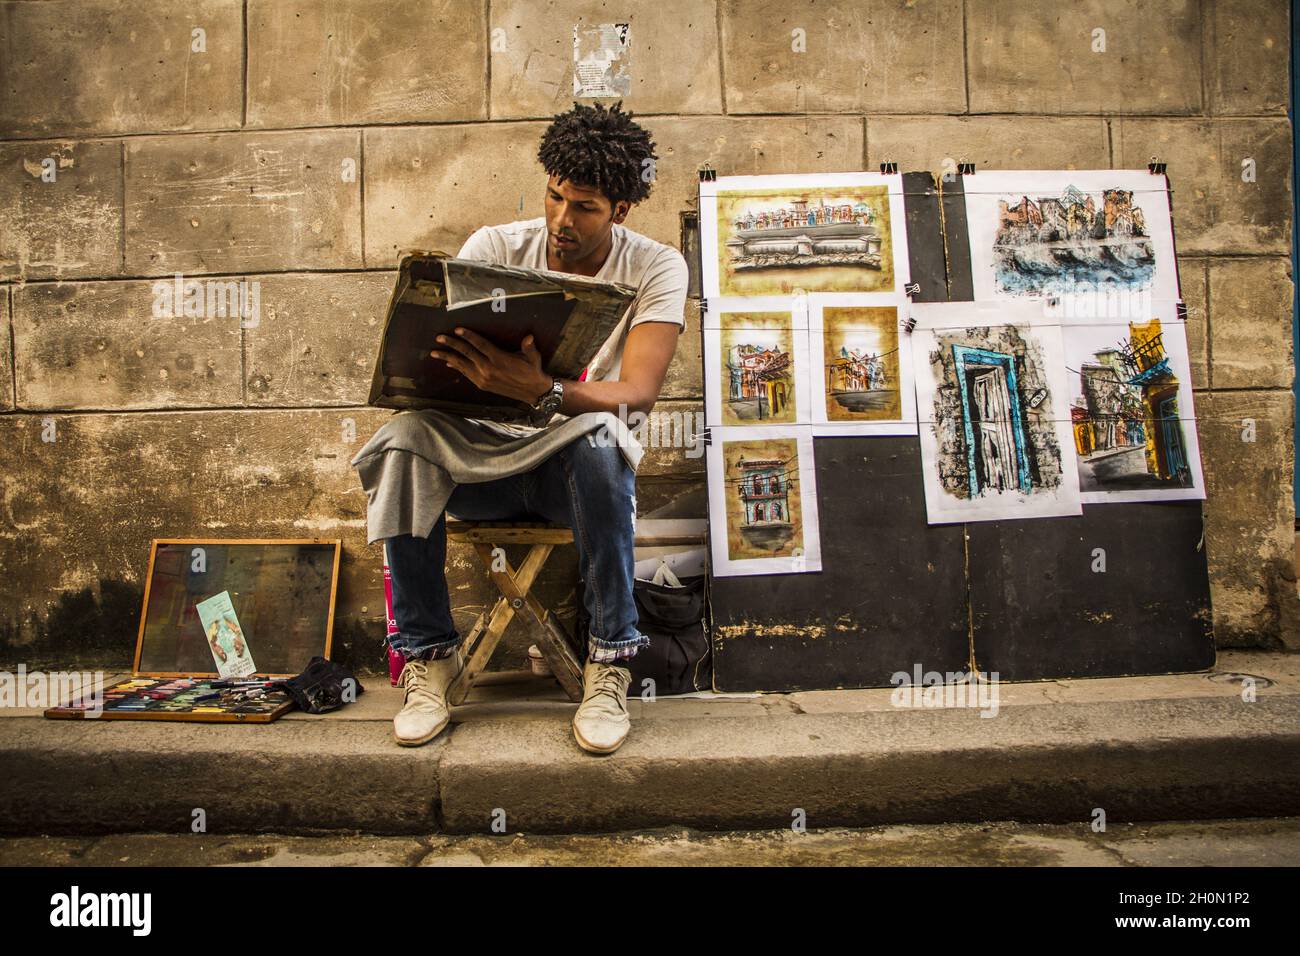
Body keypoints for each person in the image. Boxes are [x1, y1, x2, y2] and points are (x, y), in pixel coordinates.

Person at [352, 101, 689, 755]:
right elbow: (443, 371)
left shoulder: (656, 266)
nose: (563, 220)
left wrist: (545, 391)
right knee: (404, 440)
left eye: (585, 207)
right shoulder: (497, 248)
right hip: (484, 467)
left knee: (598, 435)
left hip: (577, 475)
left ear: (620, 211)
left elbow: (637, 396)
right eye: (556, 197)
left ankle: (608, 664)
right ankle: (430, 659)